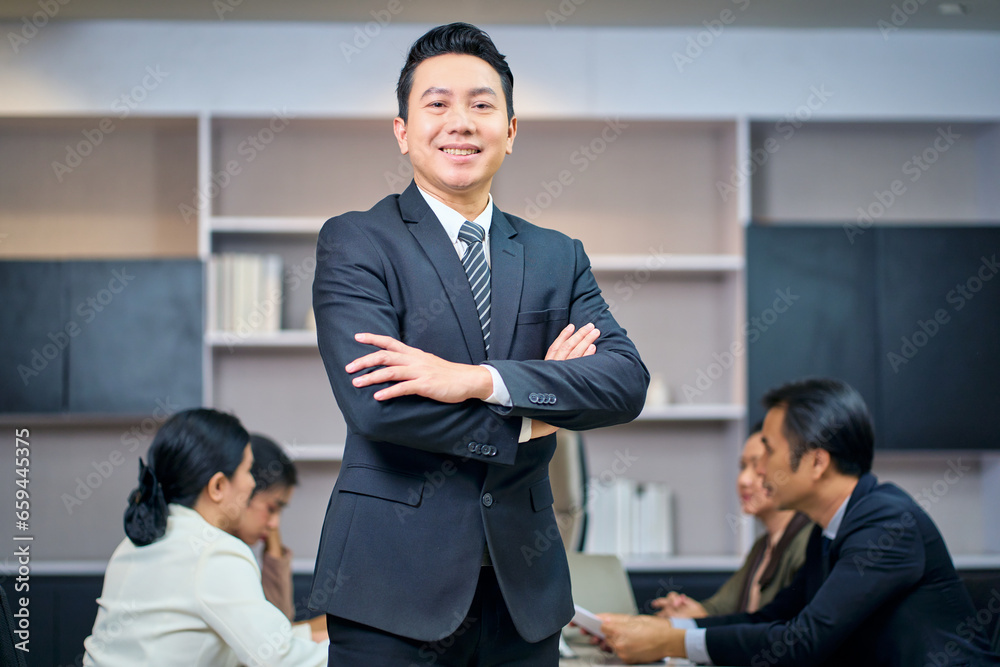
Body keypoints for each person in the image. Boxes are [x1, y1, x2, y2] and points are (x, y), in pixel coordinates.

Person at [308, 22, 649, 665]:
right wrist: (530, 418)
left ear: (511, 131)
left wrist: (477, 380)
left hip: (524, 599)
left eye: (482, 104)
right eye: (436, 104)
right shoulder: (357, 241)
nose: (460, 122)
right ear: (404, 131)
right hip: (390, 592)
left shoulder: (557, 255)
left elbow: (624, 381)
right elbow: (377, 404)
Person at [596, 378, 1000, 666]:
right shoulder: (828, 531)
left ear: (816, 462)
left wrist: (675, 640)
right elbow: (773, 618)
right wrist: (673, 627)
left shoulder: (887, 523)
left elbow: (803, 642)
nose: (759, 469)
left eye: (767, 452)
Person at [82, 409, 327, 667]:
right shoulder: (215, 552)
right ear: (218, 486)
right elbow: (280, 659)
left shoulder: (133, 544)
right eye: (247, 470)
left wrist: (314, 638)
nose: (252, 484)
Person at [652, 427, 812, 619]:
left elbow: (774, 628)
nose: (744, 480)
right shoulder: (762, 546)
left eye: (758, 466)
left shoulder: (808, 543)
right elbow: (717, 610)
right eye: (743, 467)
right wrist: (683, 610)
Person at [234, 433, 329, 638]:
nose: (275, 524)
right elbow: (275, 640)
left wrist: (273, 545)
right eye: (271, 508)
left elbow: (280, 623)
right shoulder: (224, 557)